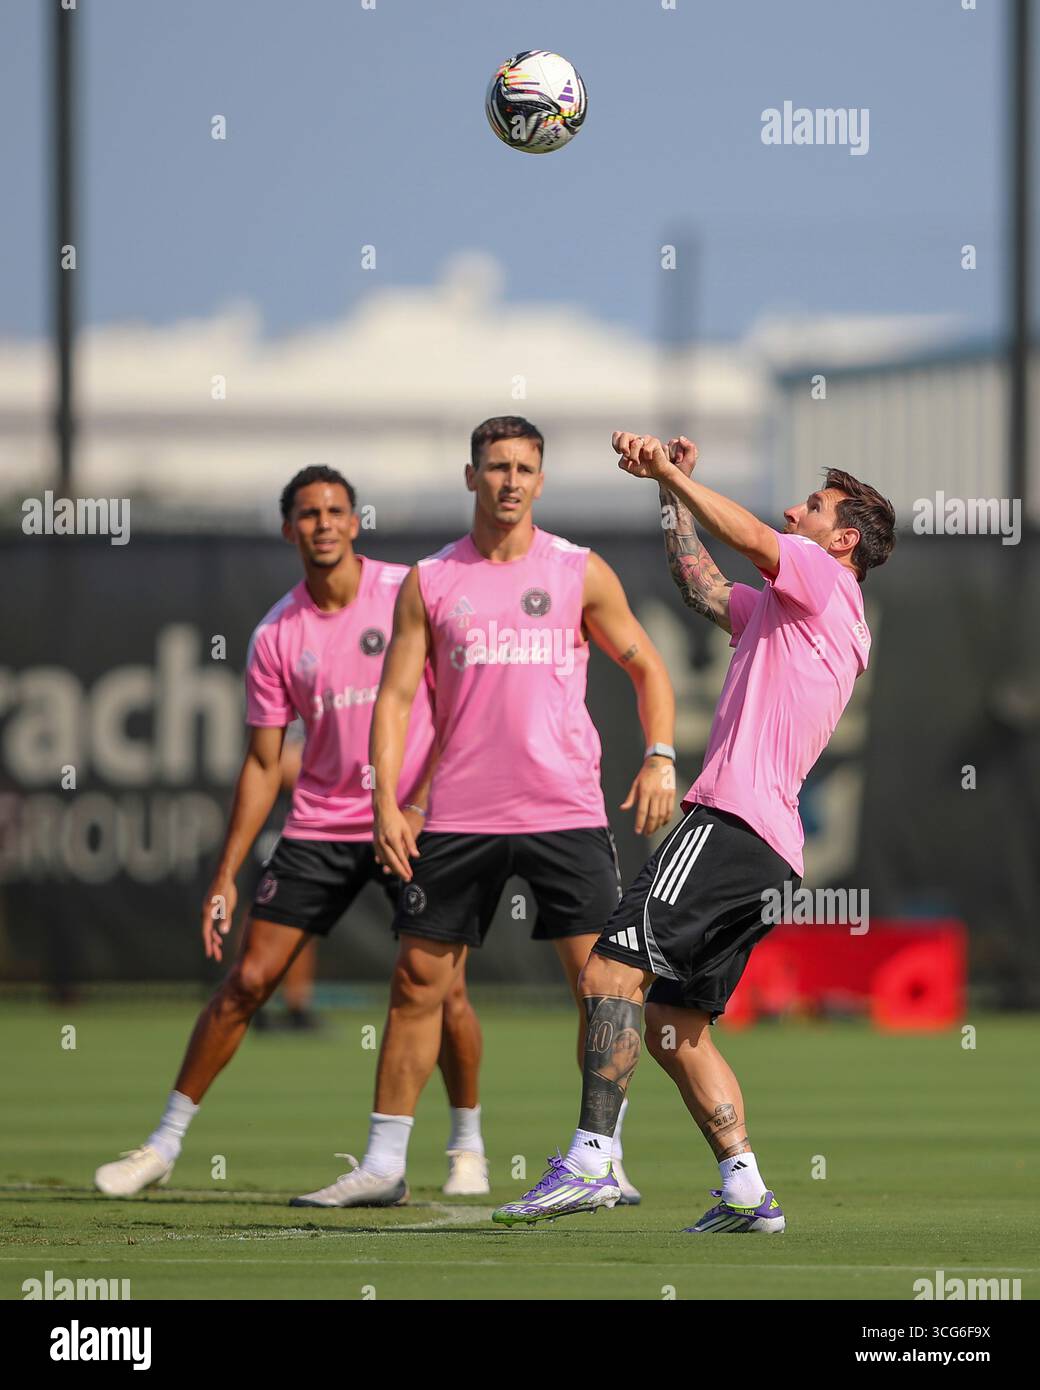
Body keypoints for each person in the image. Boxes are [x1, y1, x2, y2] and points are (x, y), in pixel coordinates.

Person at [493, 431, 896, 1231]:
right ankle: (746, 1190)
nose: (793, 512)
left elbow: (746, 537)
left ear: (843, 539)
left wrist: (671, 470)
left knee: (609, 975)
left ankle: (592, 1162)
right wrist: (668, 491)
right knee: (676, 1028)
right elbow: (702, 586)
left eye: (811, 508)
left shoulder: (820, 577)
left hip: (732, 824)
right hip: (771, 849)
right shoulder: (799, 611)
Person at [290, 417, 677, 1209]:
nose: (509, 480)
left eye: (524, 468)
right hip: (459, 817)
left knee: (602, 986)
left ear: (541, 480)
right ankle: (384, 1164)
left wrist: (661, 753)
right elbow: (396, 698)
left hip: (564, 810)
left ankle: (600, 1156)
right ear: (471, 477)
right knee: (417, 982)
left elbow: (646, 667)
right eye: (495, 466)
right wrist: (385, 803)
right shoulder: (430, 580)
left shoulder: (579, 570)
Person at [94, 466, 488, 1200]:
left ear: (355, 522)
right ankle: (163, 1144)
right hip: (321, 823)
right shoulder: (277, 633)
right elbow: (262, 762)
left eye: (337, 511)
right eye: (309, 514)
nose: (324, 524)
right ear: (289, 530)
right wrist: (224, 876)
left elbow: (460, 706)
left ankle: (467, 1145)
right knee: (246, 981)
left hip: (414, 819)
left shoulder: (408, 590)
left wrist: (422, 803)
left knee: (445, 993)